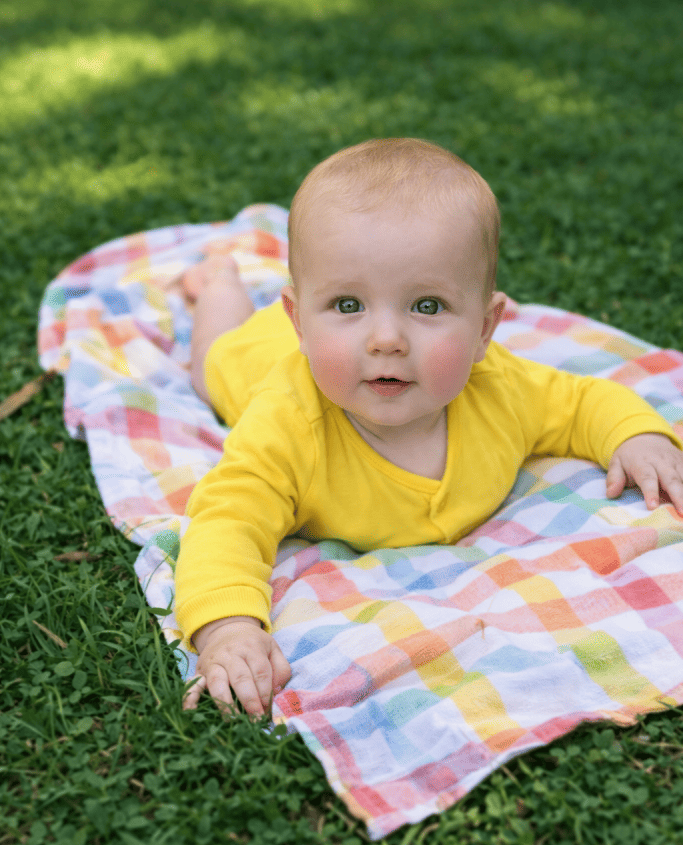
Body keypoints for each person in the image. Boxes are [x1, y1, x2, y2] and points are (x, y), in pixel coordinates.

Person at [175, 138, 683, 719]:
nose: (386, 338)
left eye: (427, 306)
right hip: (253, 359)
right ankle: (220, 283)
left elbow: (583, 401)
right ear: (299, 321)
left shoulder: (500, 390)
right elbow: (227, 522)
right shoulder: (287, 427)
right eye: (346, 305)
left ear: (486, 326)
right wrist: (229, 628)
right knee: (209, 363)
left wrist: (637, 436)